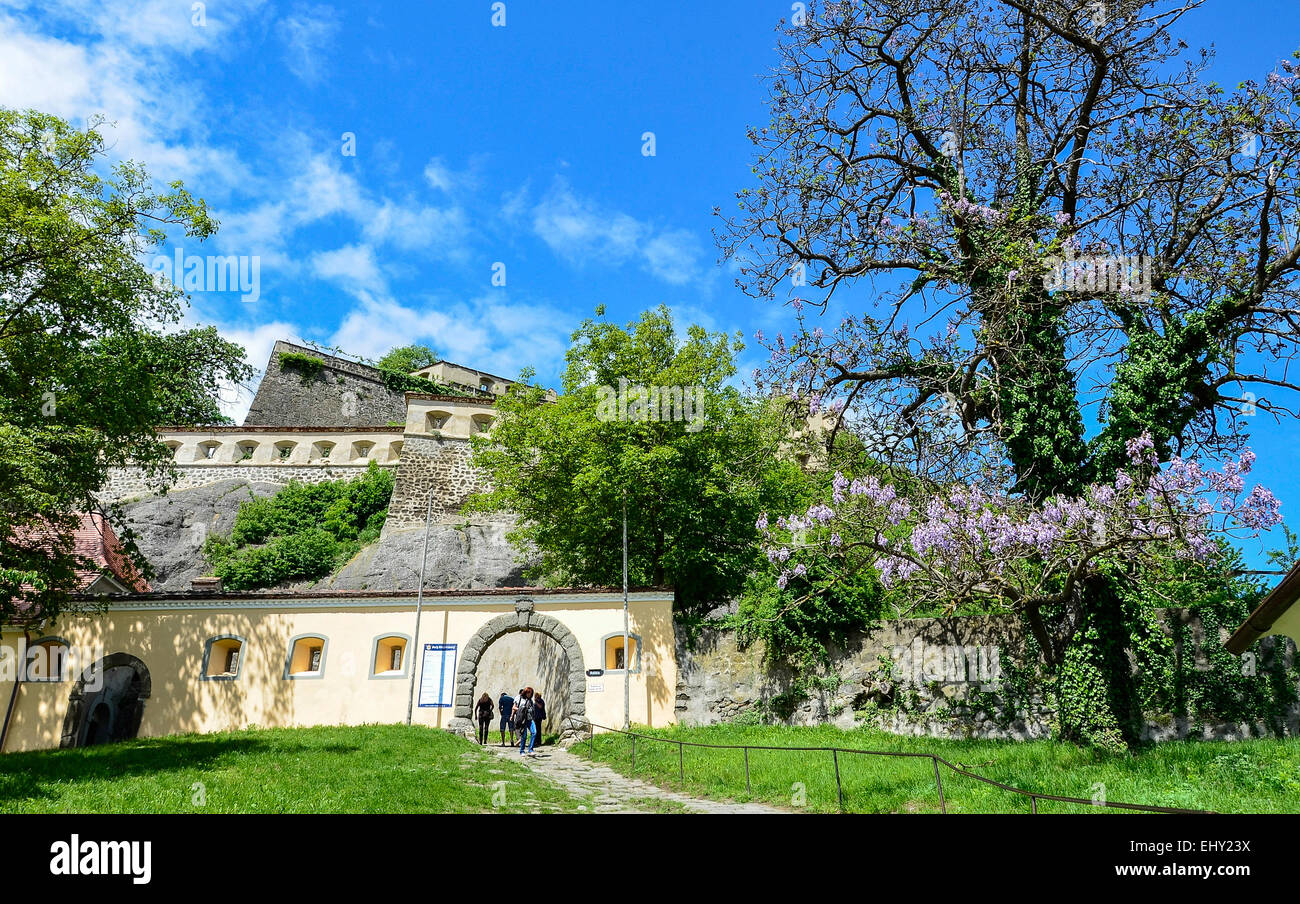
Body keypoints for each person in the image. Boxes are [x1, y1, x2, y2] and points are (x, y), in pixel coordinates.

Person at [513, 687, 535, 756]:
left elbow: (532, 709)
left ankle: (530, 749)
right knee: (524, 736)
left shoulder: (530, 700)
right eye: (528, 693)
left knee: (534, 732)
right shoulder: (519, 698)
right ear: (525, 692)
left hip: (530, 719)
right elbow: (513, 707)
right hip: (522, 719)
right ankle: (522, 751)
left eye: (531, 693)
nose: (529, 694)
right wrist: (521, 709)